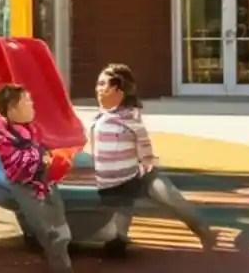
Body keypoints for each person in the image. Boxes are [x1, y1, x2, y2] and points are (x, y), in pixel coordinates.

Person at [91, 63, 215, 254]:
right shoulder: (99, 119)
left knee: (172, 199)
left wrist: (148, 161)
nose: (98, 89)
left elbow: (143, 142)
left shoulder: (129, 117)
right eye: (98, 84)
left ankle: (202, 230)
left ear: (118, 90)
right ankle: (117, 239)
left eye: (103, 84)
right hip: (113, 185)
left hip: (138, 176)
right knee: (116, 236)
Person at [0, 85, 76, 272]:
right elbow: (16, 166)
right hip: (26, 187)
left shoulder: (32, 130)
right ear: (12, 110)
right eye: (27, 102)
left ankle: (55, 251)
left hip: (45, 184)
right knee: (53, 234)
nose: (32, 105)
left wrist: (53, 158)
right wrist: (42, 158)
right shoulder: (3, 139)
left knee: (59, 223)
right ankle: (62, 268)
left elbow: (41, 149)